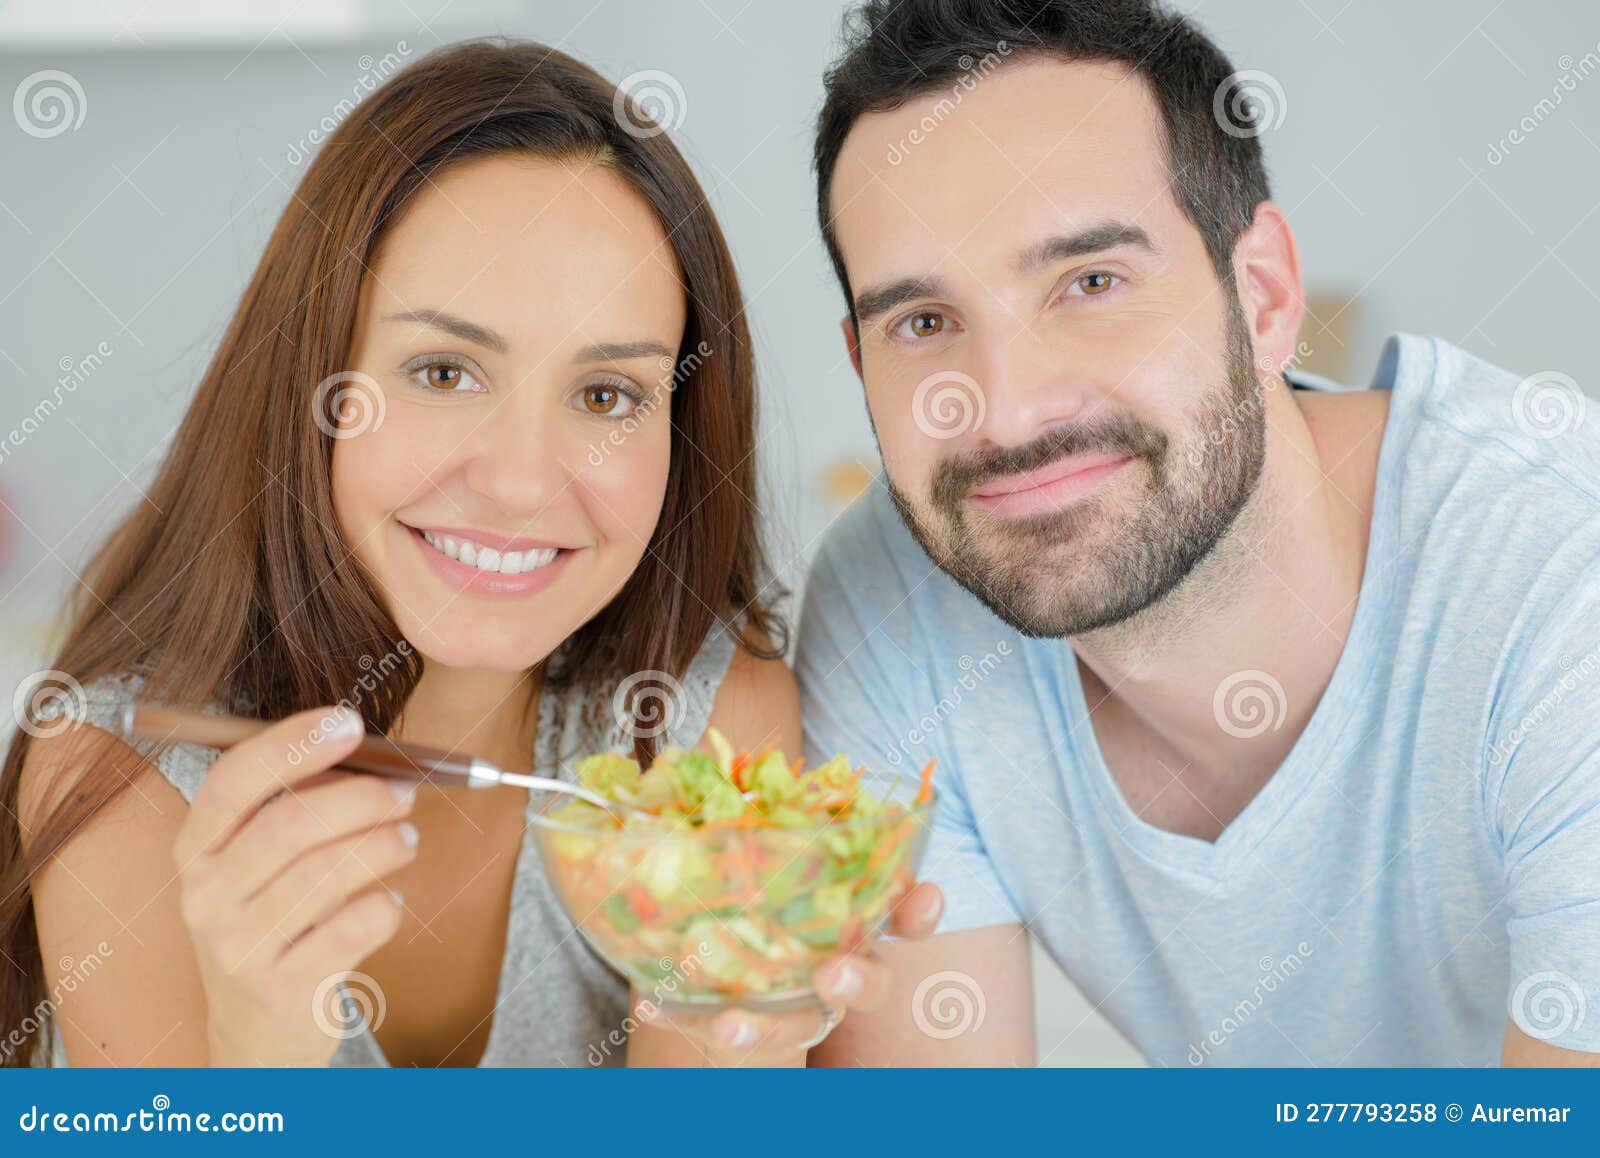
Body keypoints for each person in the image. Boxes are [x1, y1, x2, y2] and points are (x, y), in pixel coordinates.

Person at [0, 40, 934, 1069]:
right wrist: (260, 1045)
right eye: (443, 371)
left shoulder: (697, 733)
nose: (522, 483)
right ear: (312, 383)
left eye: (606, 395)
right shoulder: (121, 782)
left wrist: (726, 1061)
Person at [798, 0, 1600, 1066]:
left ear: (1263, 295)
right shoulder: (890, 601)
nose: (1006, 413)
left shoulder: (1560, 581)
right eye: (924, 323)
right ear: (862, 364)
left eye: (1089, 282)